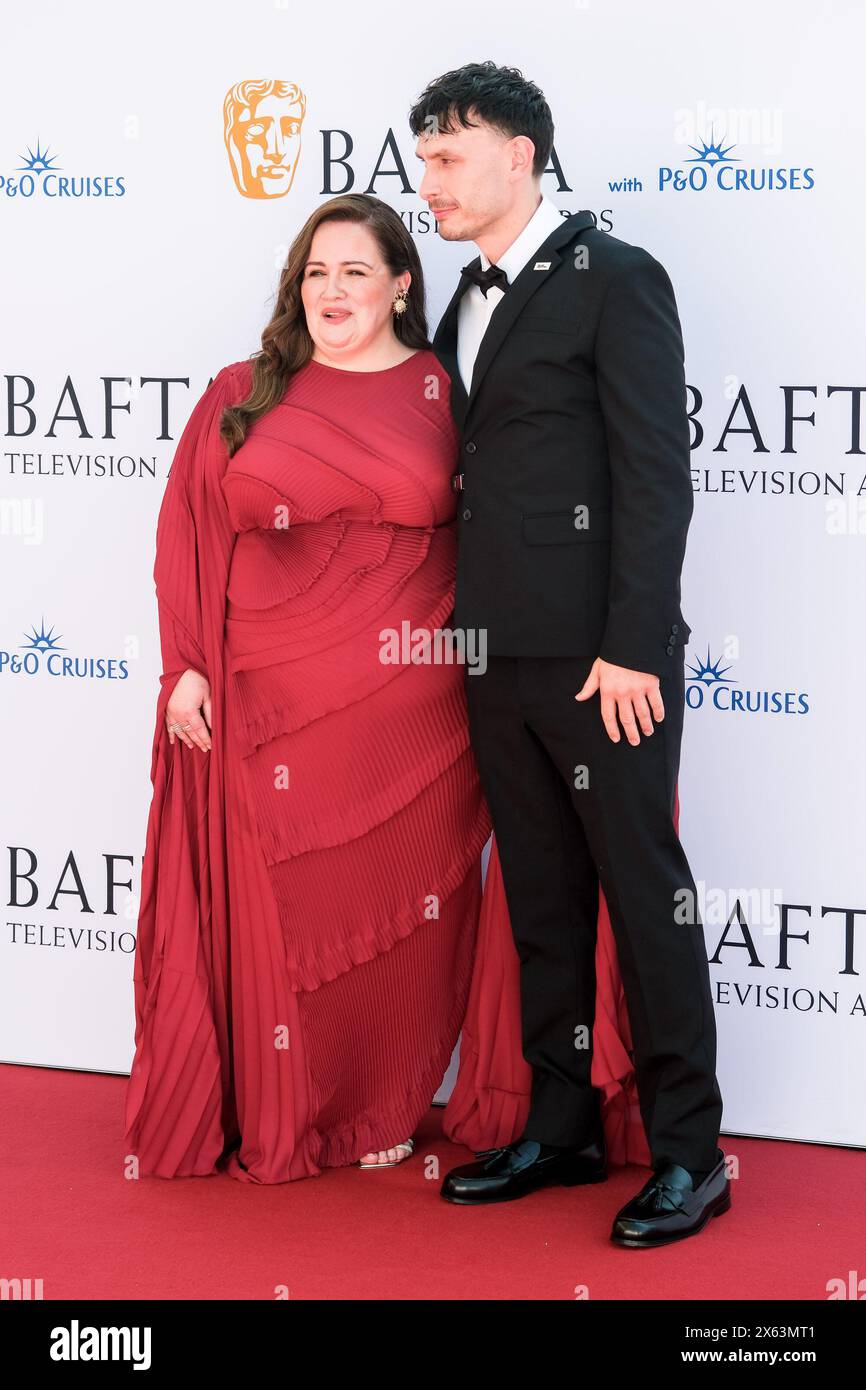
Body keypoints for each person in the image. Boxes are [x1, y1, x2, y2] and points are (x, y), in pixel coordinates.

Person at [123, 191, 648, 1188]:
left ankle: (379, 1100)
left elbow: (505, 524)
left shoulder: (448, 390)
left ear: (402, 284)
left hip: (414, 706)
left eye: (354, 270)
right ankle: (286, 1106)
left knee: (402, 919)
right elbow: (188, 533)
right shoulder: (242, 389)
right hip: (257, 705)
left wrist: (595, 636)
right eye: (315, 272)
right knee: (283, 917)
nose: (332, 289)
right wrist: (183, 664)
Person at [410, 61, 730, 1247]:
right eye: (424, 156)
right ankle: (560, 1122)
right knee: (541, 899)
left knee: (645, 901)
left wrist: (636, 645)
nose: (427, 179)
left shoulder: (617, 278)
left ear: (521, 156)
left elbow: (655, 477)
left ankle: (693, 1154)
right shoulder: (462, 295)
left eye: (448, 155)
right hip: (495, 654)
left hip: (605, 666)